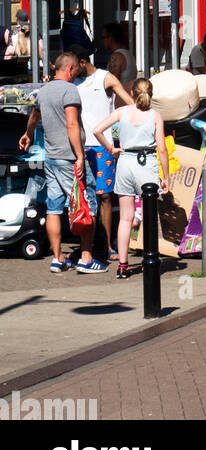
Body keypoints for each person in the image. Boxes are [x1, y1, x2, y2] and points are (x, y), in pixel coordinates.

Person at [18, 52, 104, 273]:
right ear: (70, 69)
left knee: (54, 208)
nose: (77, 75)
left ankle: (58, 258)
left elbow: (34, 116)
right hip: (69, 158)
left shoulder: (44, 91)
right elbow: (72, 124)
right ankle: (86, 258)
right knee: (86, 205)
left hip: (51, 158)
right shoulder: (69, 90)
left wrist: (28, 134)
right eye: (76, 71)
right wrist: (80, 156)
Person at [94, 77, 170, 280]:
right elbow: (162, 149)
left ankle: (123, 265)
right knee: (149, 216)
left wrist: (111, 149)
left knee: (125, 218)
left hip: (125, 162)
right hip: (147, 164)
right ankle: (149, 259)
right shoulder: (155, 116)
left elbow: (97, 130)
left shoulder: (122, 112)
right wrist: (166, 176)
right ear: (150, 94)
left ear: (132, 94)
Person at [75, 51, 134, 261]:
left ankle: (108, 246)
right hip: (81, 147)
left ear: (83, 62)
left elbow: (129, 102)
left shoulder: (105, 78)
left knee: (105, 196)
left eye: (75, 65)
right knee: (84, 198)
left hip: (103, 146)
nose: (72, 69)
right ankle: (87, 248)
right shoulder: (73, 81)